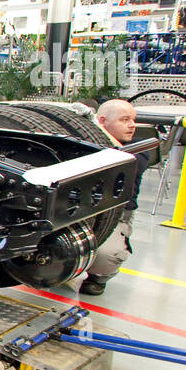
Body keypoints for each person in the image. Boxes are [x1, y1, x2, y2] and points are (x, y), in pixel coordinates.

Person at [80, 98, 147, 296]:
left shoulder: (140, 147)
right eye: (124, 120)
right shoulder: (81, 142)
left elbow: (118, 163)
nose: (132, 125)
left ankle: (99, 277)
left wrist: (97, 131)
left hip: (116, 214)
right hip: (82, 209)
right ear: (103, 121)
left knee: (106, 256)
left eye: (133, 119)